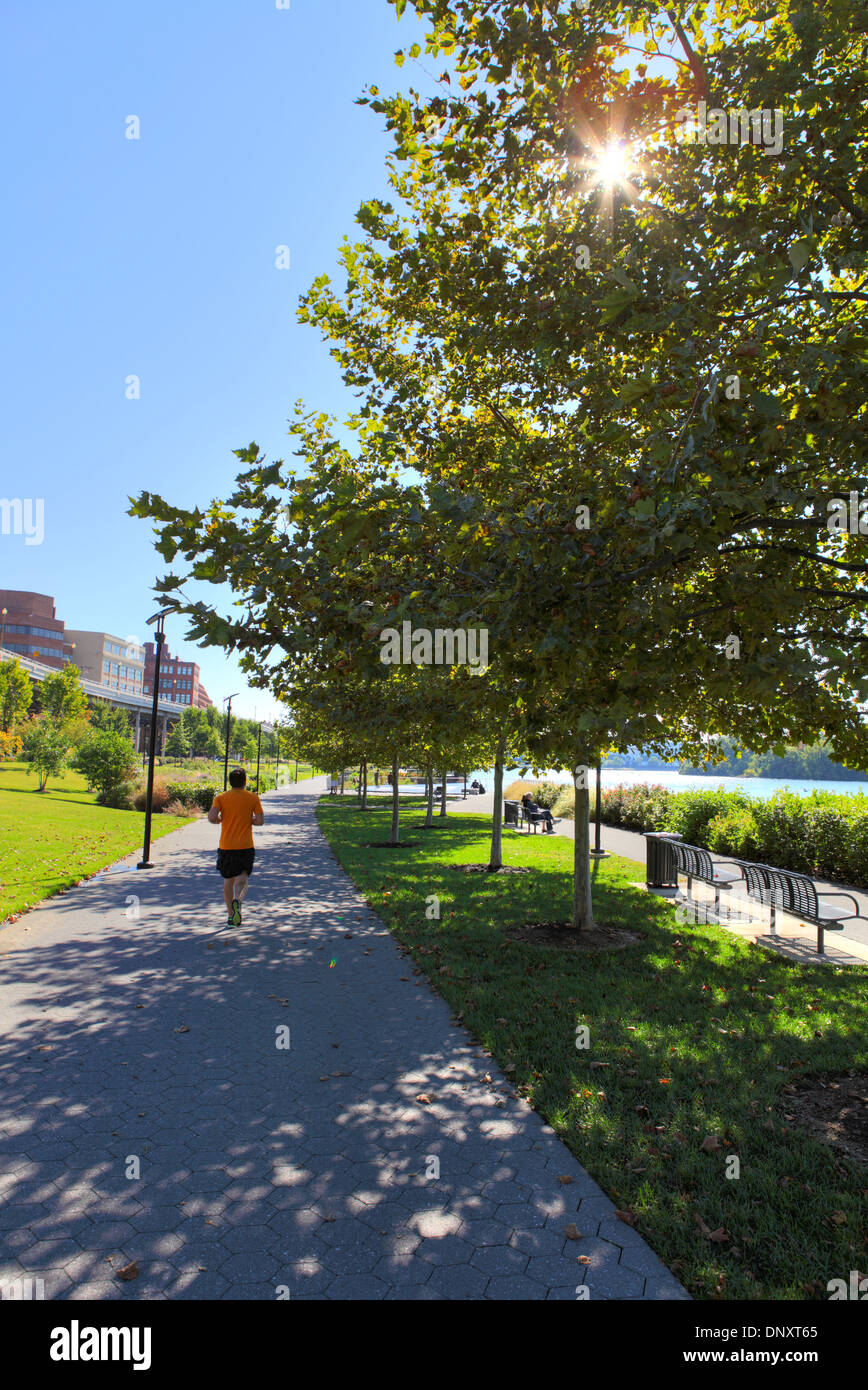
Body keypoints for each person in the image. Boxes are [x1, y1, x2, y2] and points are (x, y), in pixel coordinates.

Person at [208, 768, 265, 926]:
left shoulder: (221, 798)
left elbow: (212, 817)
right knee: (242, 879)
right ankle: (238, 901)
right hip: (245, 845)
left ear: (230, 782)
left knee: (228, 881)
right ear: (245, 781)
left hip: (226, 845)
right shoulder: (253, 798)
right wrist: (250, 821)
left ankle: (231, 916)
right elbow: (260, 821)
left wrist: (219, 820)